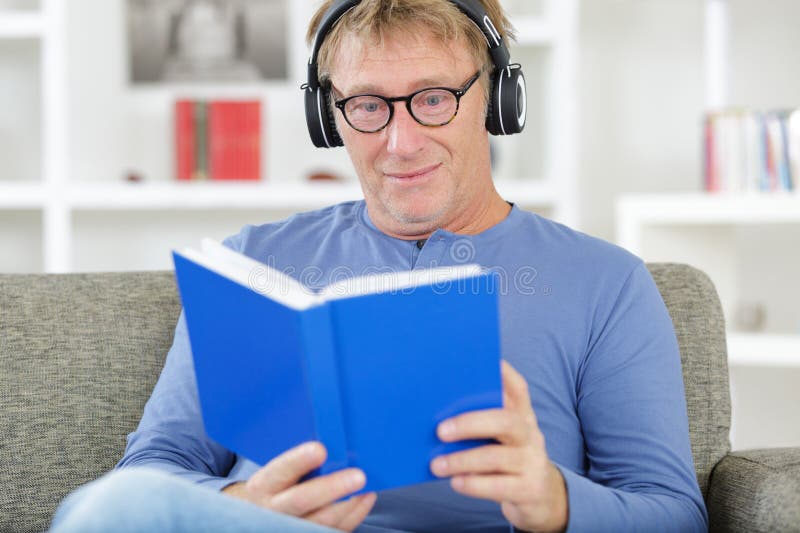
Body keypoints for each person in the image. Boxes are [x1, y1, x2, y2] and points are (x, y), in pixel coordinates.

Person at [49, 1, 708, 531]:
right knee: (106, 509)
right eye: (367, 105)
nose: (400, 141)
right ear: (328, 115)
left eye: (433, 98)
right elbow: (153, 469)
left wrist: (554, 501)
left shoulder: (607, 282)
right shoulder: (253, 261)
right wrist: (246, 502)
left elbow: (673, 510)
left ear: (498, 101)